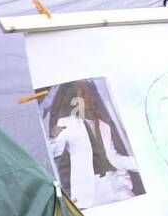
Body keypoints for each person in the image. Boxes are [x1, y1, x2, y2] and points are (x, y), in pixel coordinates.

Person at [47, 81, 143, 209]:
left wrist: (142, 163)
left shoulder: (104, 126)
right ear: (74, 98)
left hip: (117, 184)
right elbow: (55, 154)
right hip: (90, 192)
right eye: (83, 94)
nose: (88, 97)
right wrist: (53, 137)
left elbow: (113, 158)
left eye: (89, 93)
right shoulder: (66, 123)